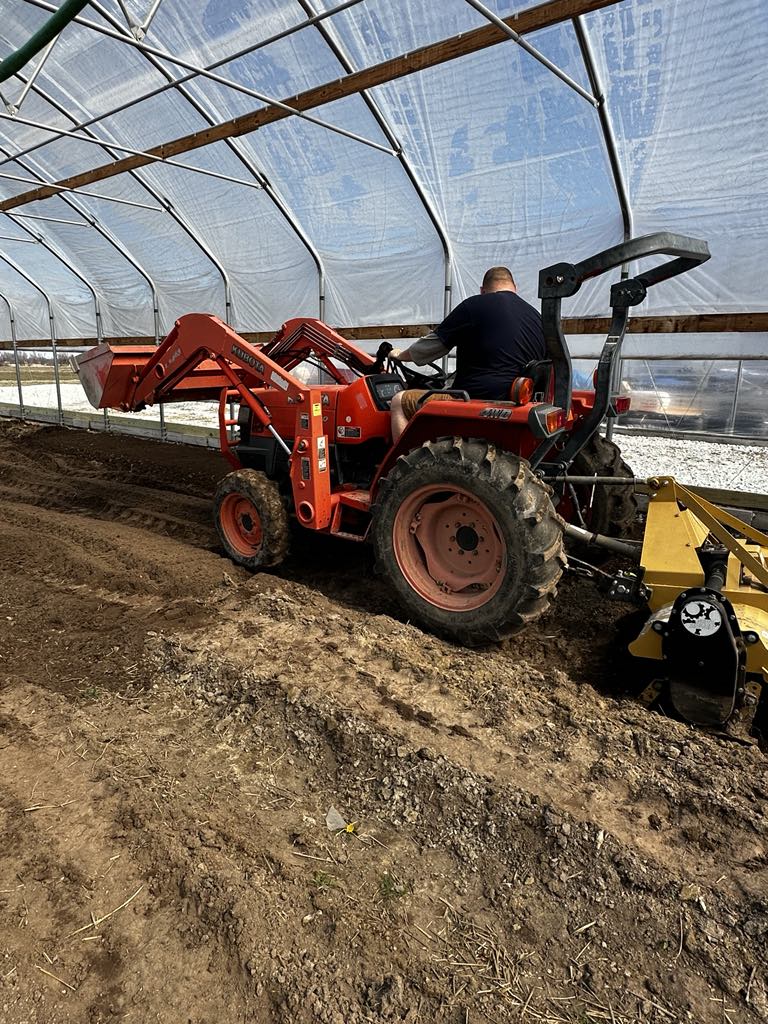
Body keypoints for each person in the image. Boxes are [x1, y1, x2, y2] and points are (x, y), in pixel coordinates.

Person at [389, 266, 546, 440]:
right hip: (519, 404)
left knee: (399, 401)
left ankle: (405, 458)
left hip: (474, 400)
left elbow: (429, 348)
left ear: (482, 290)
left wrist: (399, 355)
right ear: (515, 287)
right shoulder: (537, 317)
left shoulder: (474, 306)